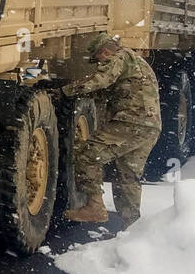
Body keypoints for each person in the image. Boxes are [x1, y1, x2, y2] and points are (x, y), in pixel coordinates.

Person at [60, 32, 162, 225]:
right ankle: (132, 227)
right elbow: (113, 91)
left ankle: (95, 207)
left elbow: (100, 80)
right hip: (150, 126)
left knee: (87, 155)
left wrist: (65, 92)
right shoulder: (135, 61)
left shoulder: (118, 57)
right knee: (128, 176)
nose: (98, 64)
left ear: (104, 52)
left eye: (98, 60)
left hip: (131, 123)